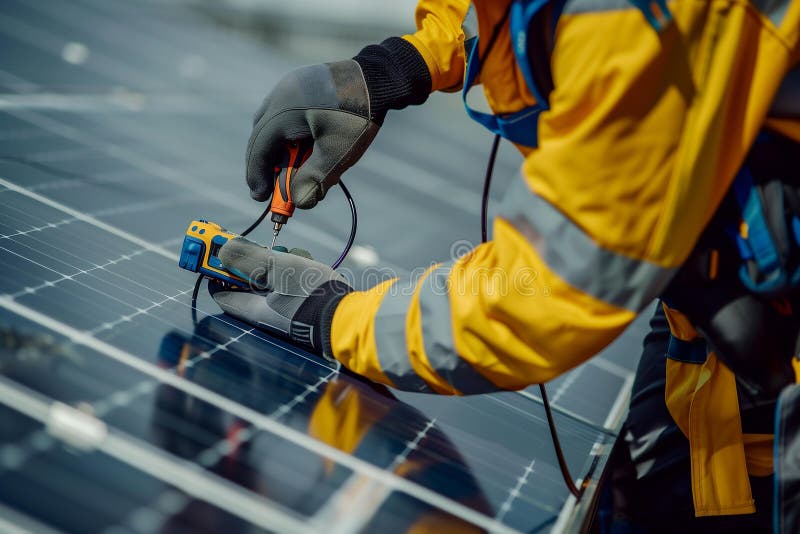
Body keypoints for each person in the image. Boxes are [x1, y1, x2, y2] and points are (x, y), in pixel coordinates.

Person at [209, 0, 800, 528]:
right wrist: (400, 67)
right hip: (706, 316)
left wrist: (335, 316)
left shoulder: (628, 19)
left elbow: (545, 289)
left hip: (776, 373)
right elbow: (514, 21)